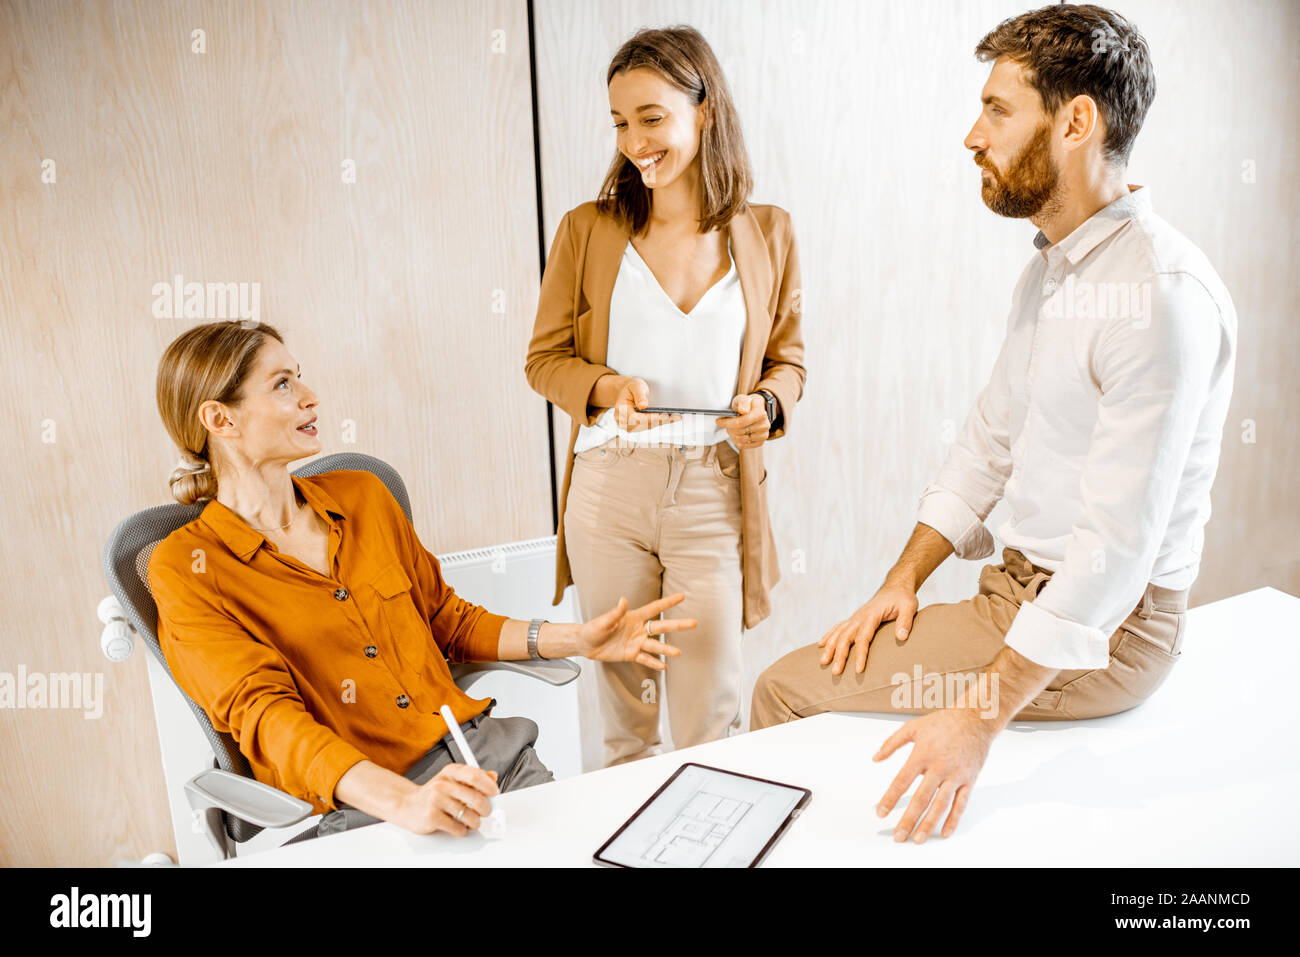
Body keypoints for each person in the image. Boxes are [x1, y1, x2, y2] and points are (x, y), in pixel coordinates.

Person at [751, 3, 1236, 844]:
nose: (973, 136)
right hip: (1015, 589)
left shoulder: (1158, 297)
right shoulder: (1053, 273)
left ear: (1076, 121)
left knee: (782, 691)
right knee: (821, 675)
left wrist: (976, 719)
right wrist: (903, 577)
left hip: (1112, 633)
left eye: (998, 110)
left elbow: (1113, 554)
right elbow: (988, 444)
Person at [147, 320, 694, 842]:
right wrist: (405, 801)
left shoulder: (363, 496)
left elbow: (446, 621)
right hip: (369, 808)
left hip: (487, 758)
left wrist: (575, 638)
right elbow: (267, 719)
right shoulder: (186, 567)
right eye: (283, 385)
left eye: (300, 376)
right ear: (220, 419)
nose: (311, 397)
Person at [525, 25, 806, 767]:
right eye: (620, 123)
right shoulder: (588, 230)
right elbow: (544, 360)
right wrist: (605, 386)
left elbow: (789, 364)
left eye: (652, 118)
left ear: (705, 109)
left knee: (712, 718)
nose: (634, 141)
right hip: (608, 489)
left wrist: (767, 408)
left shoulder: (768, 232)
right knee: (625, 729)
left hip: (712, 493)